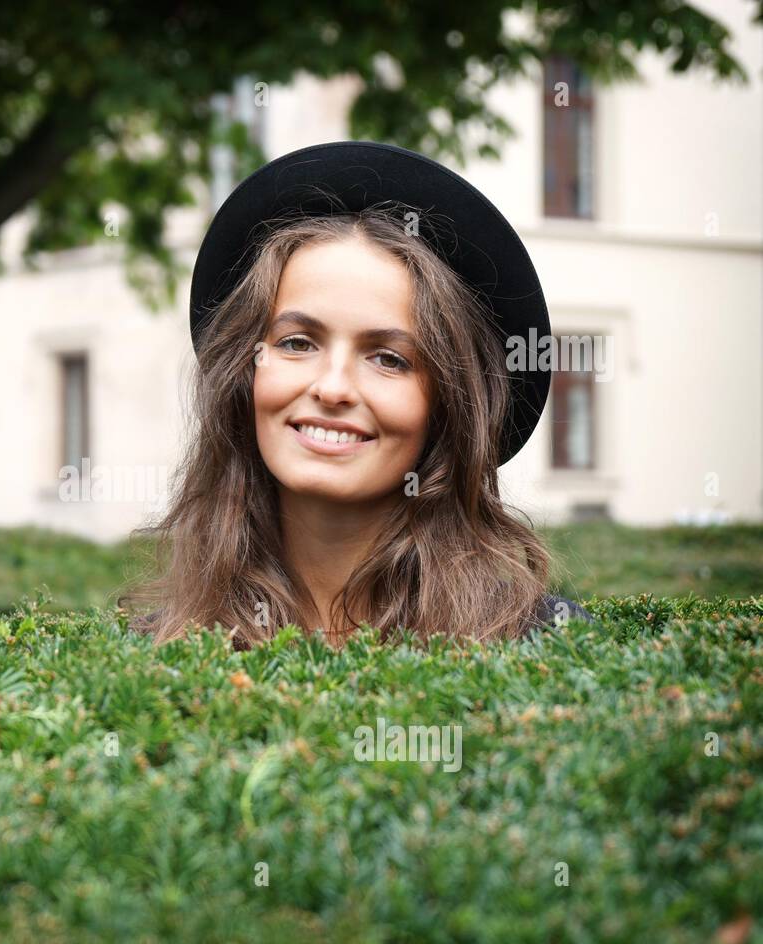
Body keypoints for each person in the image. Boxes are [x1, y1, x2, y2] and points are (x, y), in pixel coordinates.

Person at [119, 141, 591, 649]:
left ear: (449, 407)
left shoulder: (543, 643)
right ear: (244, 374)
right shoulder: (158, 650)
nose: (333, 387)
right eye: (297, 343)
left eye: (389, 358)